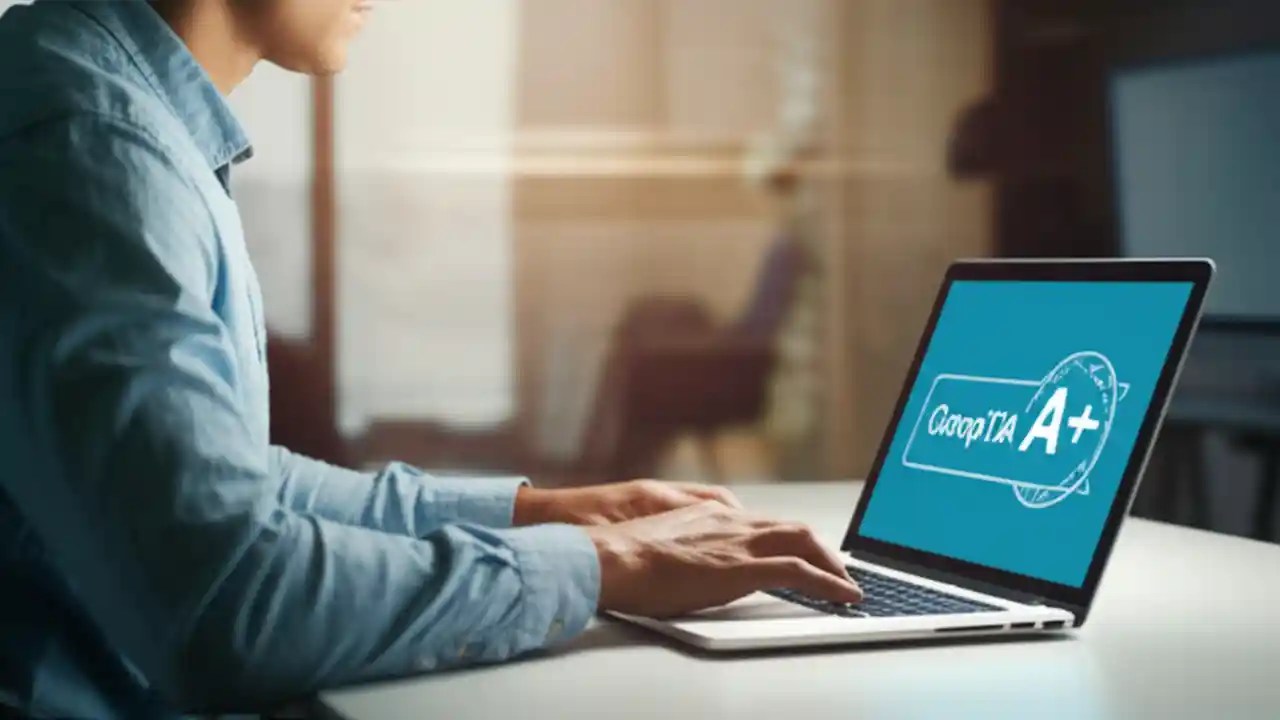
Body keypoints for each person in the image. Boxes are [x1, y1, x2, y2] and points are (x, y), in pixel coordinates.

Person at [0, 1, 863, 717]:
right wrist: (607, 567)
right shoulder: (91, 148)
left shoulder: (100, 101)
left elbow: (227, 488)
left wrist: (547, 515)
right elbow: (225, 603)